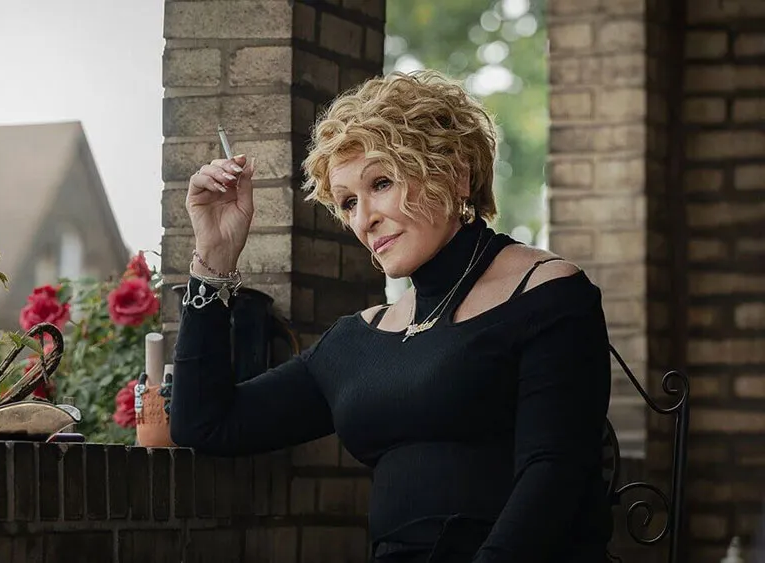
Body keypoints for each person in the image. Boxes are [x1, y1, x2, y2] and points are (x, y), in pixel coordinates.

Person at [170, 70, 613, 563]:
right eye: (348, 202)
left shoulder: (546, 294)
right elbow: (204, 423)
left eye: (381, 183)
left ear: (456, 173)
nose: (364, 219)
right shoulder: (357, 341)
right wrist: (214, 258)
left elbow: (553, 475)